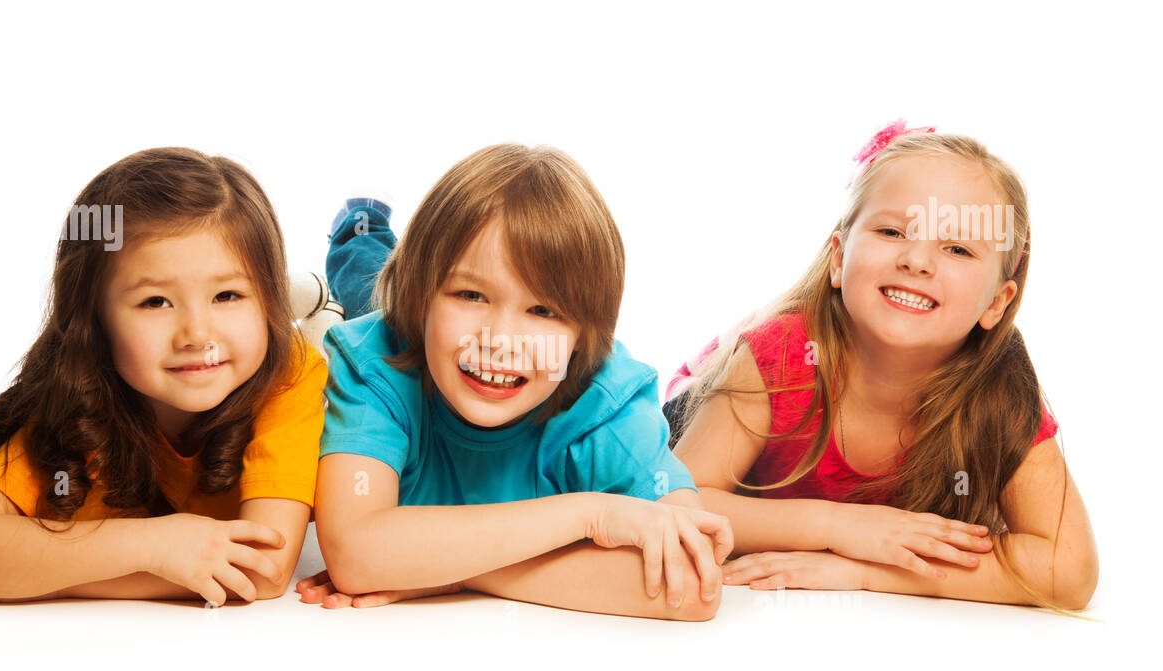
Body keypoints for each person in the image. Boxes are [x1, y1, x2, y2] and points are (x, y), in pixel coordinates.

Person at [667, 122, 1097, 611]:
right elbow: (677, 501)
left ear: (997, 303)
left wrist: (868, 570)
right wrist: (838, 527)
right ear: (838, 257)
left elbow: (1069, 569)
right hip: (693, 409)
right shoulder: (780, 355)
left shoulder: (997, 385)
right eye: (892, 231)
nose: (916, 260)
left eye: (957, 249)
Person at [297, 144, 731, 620]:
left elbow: (692, 582)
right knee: (366, 274)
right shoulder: (374, 364)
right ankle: (361, 224)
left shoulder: (603, 402)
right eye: (471, 294)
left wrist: (453, 571)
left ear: (586, 336)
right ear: (423, 300)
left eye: (543, 310)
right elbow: (358, 554)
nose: (500, 342)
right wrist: (592, 514)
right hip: (398, 323)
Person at [0, 147, 326, 606]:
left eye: (227, 294)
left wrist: (35, 573)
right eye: (154, 302)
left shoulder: (291, 374)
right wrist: (153, 546)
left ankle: (330, 297)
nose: (196, 334)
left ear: (268, 299)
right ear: (94, 321)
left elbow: (259, 571)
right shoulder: (79, 401)